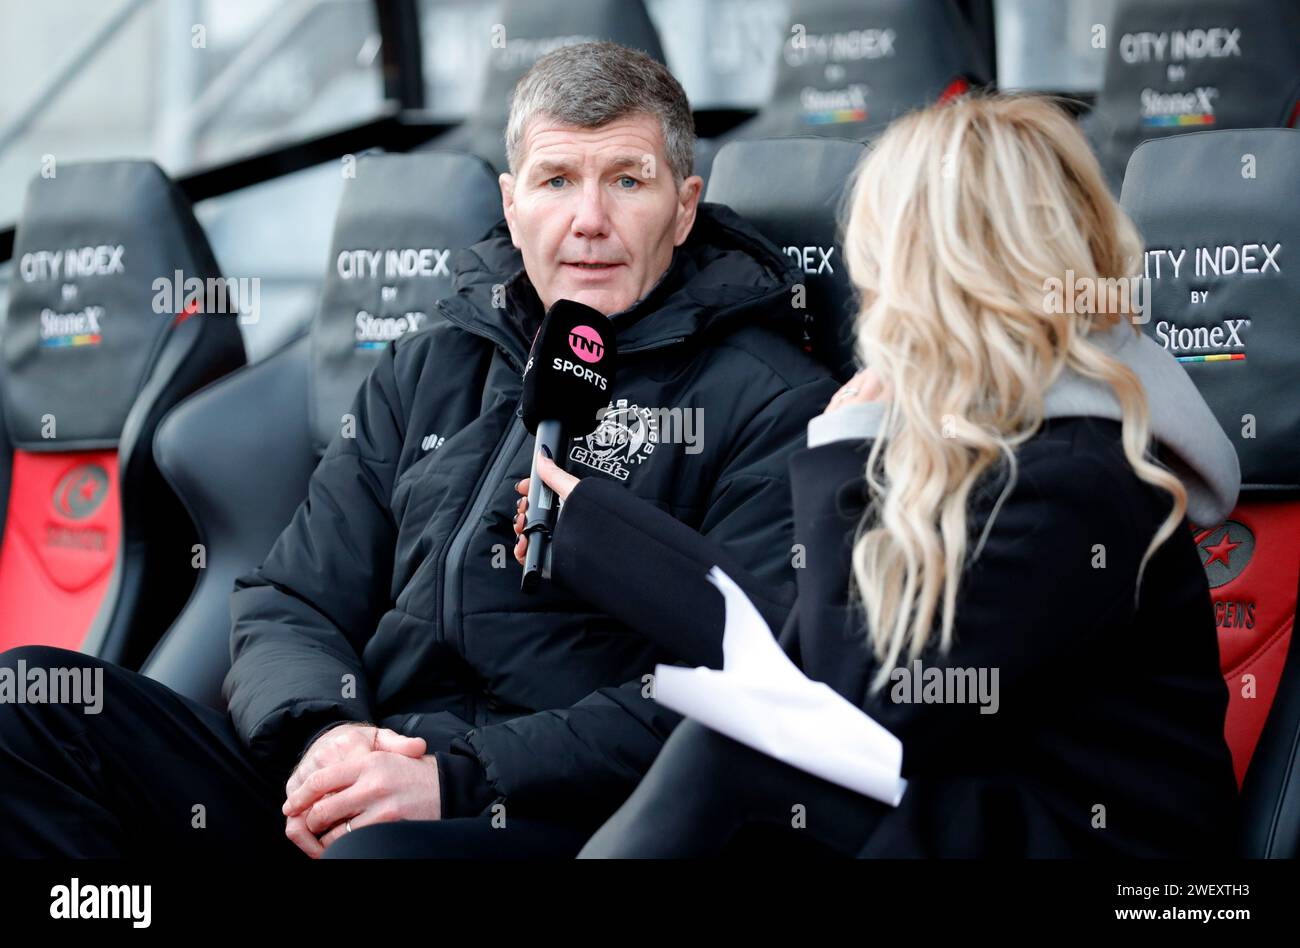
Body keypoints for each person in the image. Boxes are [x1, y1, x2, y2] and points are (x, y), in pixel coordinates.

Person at [0, 42, 837, 858]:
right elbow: (290, 597)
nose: (589, 220)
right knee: (29, 706)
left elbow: (735, 688)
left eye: (627, 180)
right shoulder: (430, 364)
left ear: (684, 206)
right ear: (512, 205)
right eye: (556, 181)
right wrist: (324, 739)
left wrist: (459, 778)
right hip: (356, 777)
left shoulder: (771, 399)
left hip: (560, 812)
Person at [502, 95, 1243, 858]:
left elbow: (857, 711)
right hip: (980, 815)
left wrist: (848, 449)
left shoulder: (1079, 477)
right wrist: (599, 528)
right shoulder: (995, 434)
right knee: (728, 755)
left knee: (728, 766)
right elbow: (801, 663)